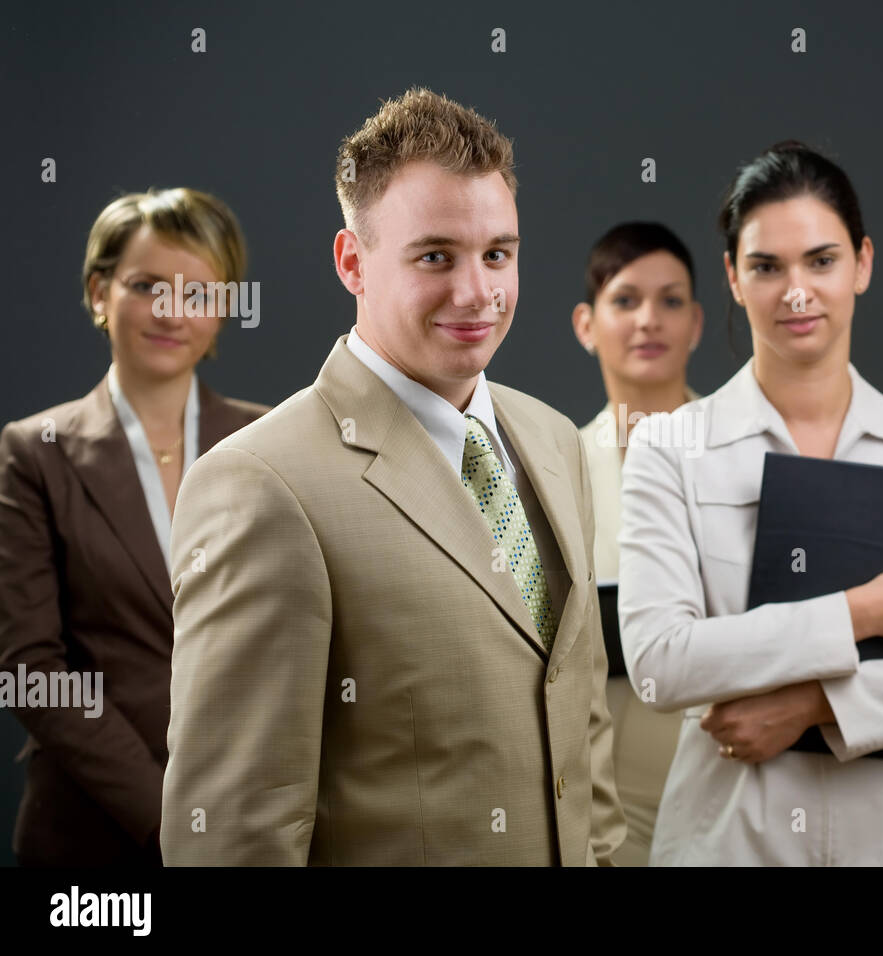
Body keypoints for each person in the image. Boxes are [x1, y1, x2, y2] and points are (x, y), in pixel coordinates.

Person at [160, 88, 625, 865]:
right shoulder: (261, 486)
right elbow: (233, 836)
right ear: (353, 262)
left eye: (498, 253)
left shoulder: (552, 442)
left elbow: (583, 733)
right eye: (435, 255)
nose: (477, 291)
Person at [618, 141, 883, 865]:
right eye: (766, 267)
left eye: (821, 260)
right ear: (732, 277)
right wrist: (867, 611)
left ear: (862, 264)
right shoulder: (670, 447)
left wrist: (819, 705)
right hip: (730, 842)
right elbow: (660, 662)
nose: (797, 291)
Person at [0, 188, 269, 866]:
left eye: (201, 293)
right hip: (93, 832)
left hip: (254, 822)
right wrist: (166, 817)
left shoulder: (269, 439)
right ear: (100, 291)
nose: (173, 313)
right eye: (148, 285)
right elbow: (30, 668)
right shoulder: (34, 451)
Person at [570, 222, 703, 865]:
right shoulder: (551, 470)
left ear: (697, 323)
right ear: (586, 324)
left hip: (728, 786)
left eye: (671, 300)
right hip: (603, 808)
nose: (649, 319)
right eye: (625, 300)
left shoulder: (749, 458)